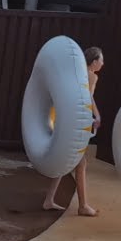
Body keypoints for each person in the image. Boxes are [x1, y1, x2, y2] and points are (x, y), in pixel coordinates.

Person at [42, 46, 104, 216]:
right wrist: (95, 116)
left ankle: (49, 199)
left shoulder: (76, 74)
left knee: (68, 160)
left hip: (65, 119)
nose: (103, 63)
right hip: (78, 122)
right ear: (94, 62)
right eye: (101, 60)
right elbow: (87, 98)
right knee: (80, 162)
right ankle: (83, 205)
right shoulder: (91, 76)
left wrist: (95, 115)